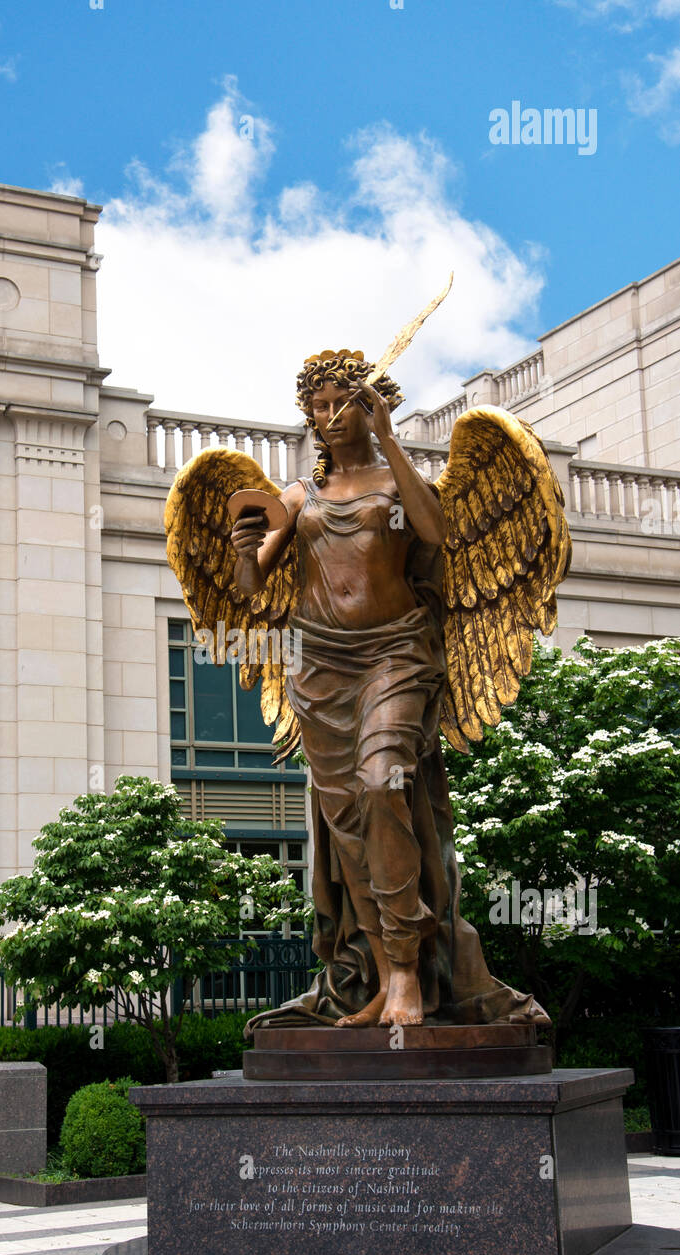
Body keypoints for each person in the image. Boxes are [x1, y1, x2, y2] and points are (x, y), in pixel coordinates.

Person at [231, 349, 546, 1030]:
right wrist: (240, 545)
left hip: (395, 653)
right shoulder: (298, 496)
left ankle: (408, 972)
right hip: (319, 668)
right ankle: (380, 978)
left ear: (370, 406)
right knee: (346, 832)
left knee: (382, 783)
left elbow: (436, 532)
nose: (327, 415)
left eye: (342, 401)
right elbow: (251, 587)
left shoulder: (395, 479)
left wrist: (392, 440)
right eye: (317, 405)